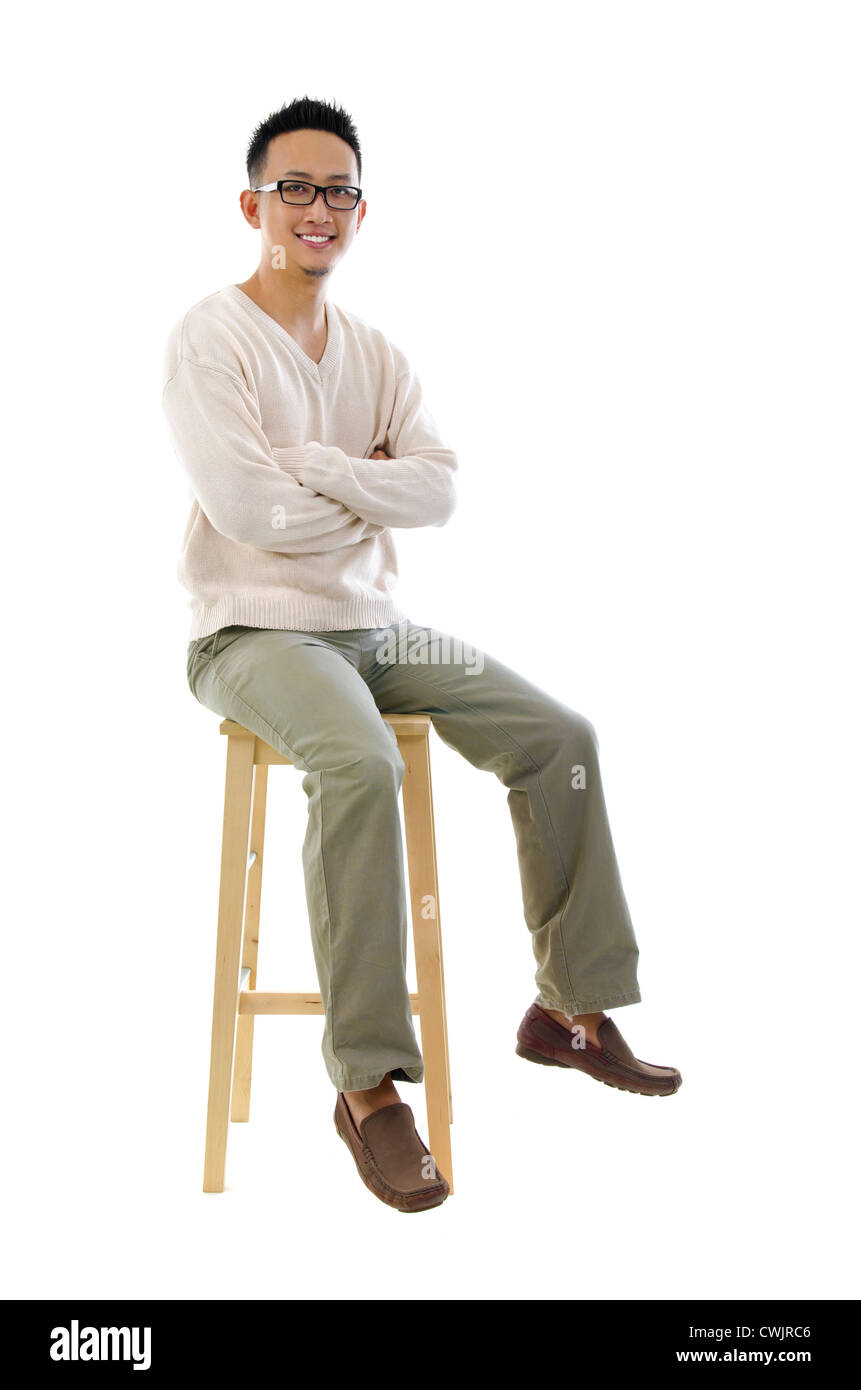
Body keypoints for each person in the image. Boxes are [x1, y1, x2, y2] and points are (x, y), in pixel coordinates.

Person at [161, 96, 681, 1214]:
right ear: (253, 204)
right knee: (361, 764)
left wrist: (327, 471)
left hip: (376, 627)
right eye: (294, 187)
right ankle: (366, 1083)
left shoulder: (377, 353)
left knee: (561, 736)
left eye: (338, 189)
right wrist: (365, 482)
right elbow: (245, 507)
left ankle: (572, 1009)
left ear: (359, 211)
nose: (318, 207)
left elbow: (439, 487)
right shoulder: (211, 336)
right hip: (251, 630)